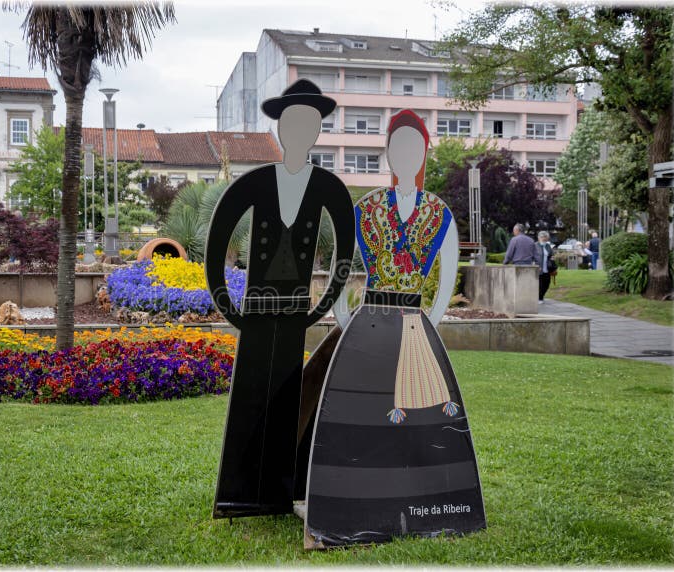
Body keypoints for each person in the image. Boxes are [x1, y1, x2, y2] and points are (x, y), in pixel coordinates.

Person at [305, 110, 486, 546]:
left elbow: (446, 276)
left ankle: (425, 502)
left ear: (424, 152)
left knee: (420, 413)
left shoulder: (438, 213)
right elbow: (341, 267)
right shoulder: (365, 210)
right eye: (398, 146)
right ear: (387, 152)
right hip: (367, 323)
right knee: (359, 411)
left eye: (415, 147)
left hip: (413, 322)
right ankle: (350, 504)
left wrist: (431, 321)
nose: (406, 154)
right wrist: (345, 318)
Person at [205, 79, 355, 519]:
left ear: (316, 132)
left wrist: (318, 309)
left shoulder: (328, 188)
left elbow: (343, 256)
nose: (299, 131)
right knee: (250, 397)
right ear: (280, 128)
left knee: (287, 401)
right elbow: (217, 244)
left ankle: (276, 493)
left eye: (309, 123)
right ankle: (239, 493)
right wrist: (229, 306)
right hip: (256, 311)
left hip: (293, 315)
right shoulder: (255, 184)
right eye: (292, 122)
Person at [535, 230, 555, 304]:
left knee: (547, 284)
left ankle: (541, 296)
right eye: (543, 237)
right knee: (540, 285)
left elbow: (551, 254)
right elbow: (532, 256)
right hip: (538, 269)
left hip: (547, 268)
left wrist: (552, 258)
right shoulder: (535, 245)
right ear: (539, 238)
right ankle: (539, 298)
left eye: (546, 238)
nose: (544, 239)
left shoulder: (547, 245)